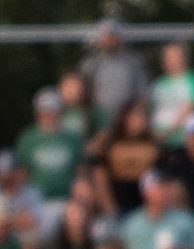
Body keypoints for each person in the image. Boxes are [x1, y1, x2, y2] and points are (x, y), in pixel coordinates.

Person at [19, 88, 86, 234]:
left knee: (76, 218)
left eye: (52, 110)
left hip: (66, 200)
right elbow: (22, 173)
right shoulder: (28, 138)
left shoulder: (72, 138)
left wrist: (79, 194)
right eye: (45, 111)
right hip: (36, 201)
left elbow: (81, 172)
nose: (49, 115)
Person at [93, 101, 159, 216]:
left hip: (147, 206)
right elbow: (100, 175)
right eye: (134, 116)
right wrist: (108, 207)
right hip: (118, 203)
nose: (139, 120)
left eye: (142, 115)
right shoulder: (110, 145)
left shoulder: (154, 145)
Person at [83, 23, 151, 127]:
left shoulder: (134, 63)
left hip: (126, 122)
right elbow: (83, 93)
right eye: (105, 36)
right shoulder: (90, 64)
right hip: (97, 120)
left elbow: (142, 94)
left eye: (113, 35)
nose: (109, 39)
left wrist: (136, 118)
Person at [116, 171, 194, 249]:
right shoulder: (132, 224)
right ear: (145, 192)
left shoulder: (186, 219)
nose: (164, 192)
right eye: (159, 188)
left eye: (167, 187)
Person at [153, 45, 194, 146]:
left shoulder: (193, 79)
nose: (170, 60)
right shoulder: (158, 83)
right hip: (160, 139)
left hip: (184, 139)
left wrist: (168, 131)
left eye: (174, 56)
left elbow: (191, 104)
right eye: (167, 56)